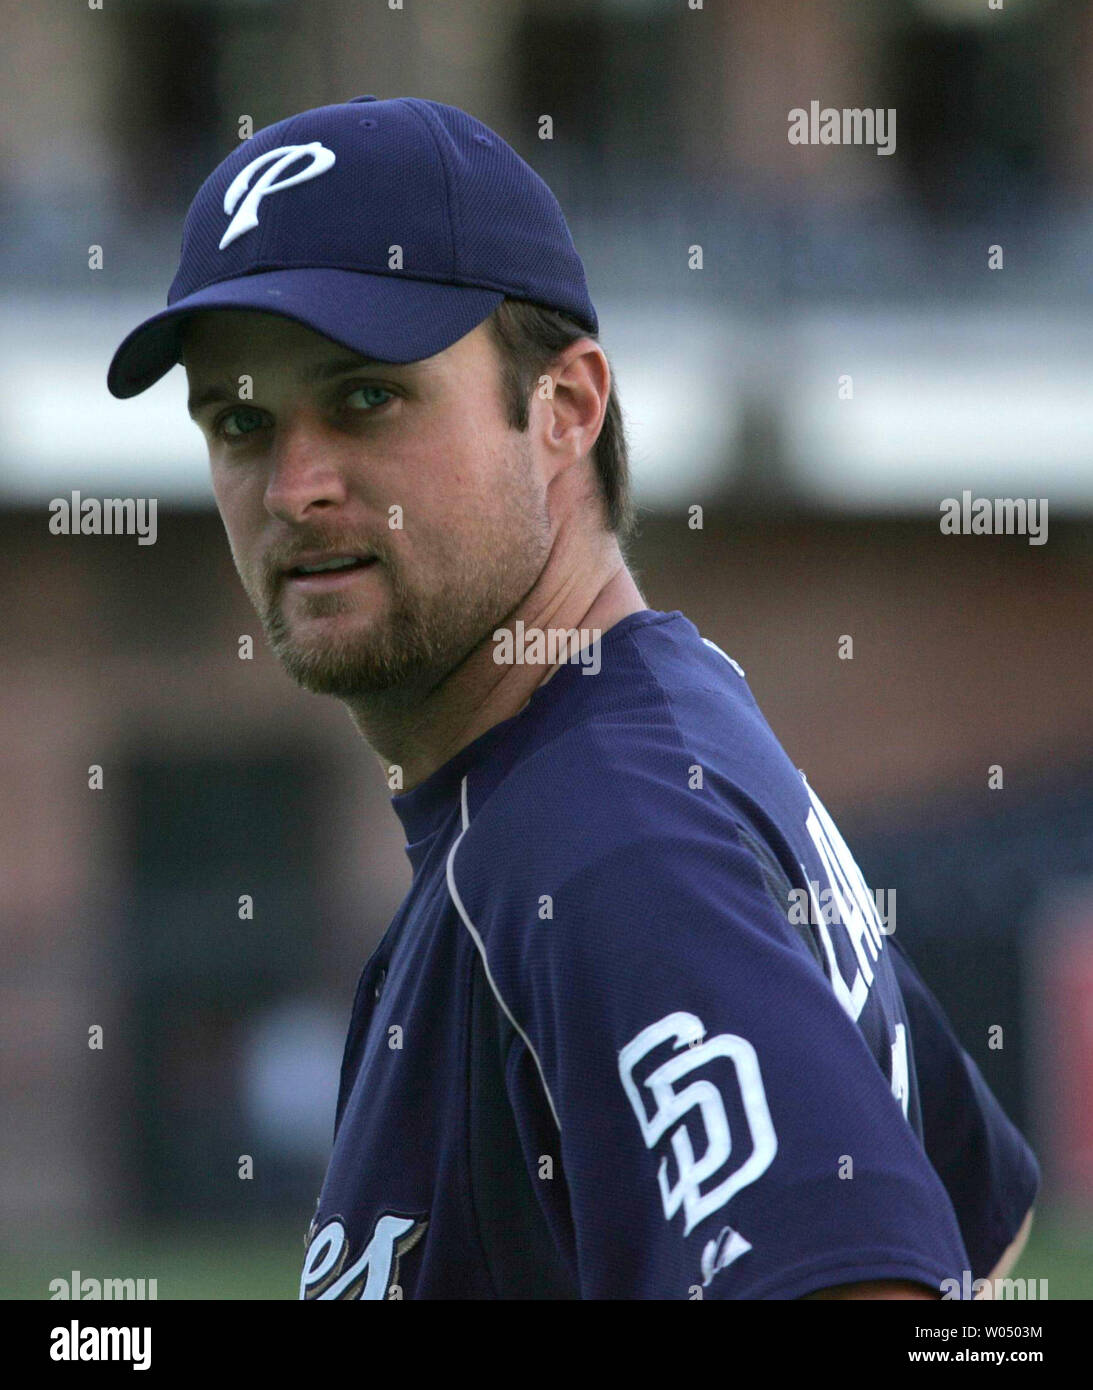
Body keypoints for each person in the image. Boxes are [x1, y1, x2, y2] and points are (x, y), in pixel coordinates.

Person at [108, 95, 1038, 1300]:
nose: (295, 485)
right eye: (240, 421)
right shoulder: (643, 739)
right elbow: (980, 1239)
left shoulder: (606, 844)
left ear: (566, 408)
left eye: (365, 397)